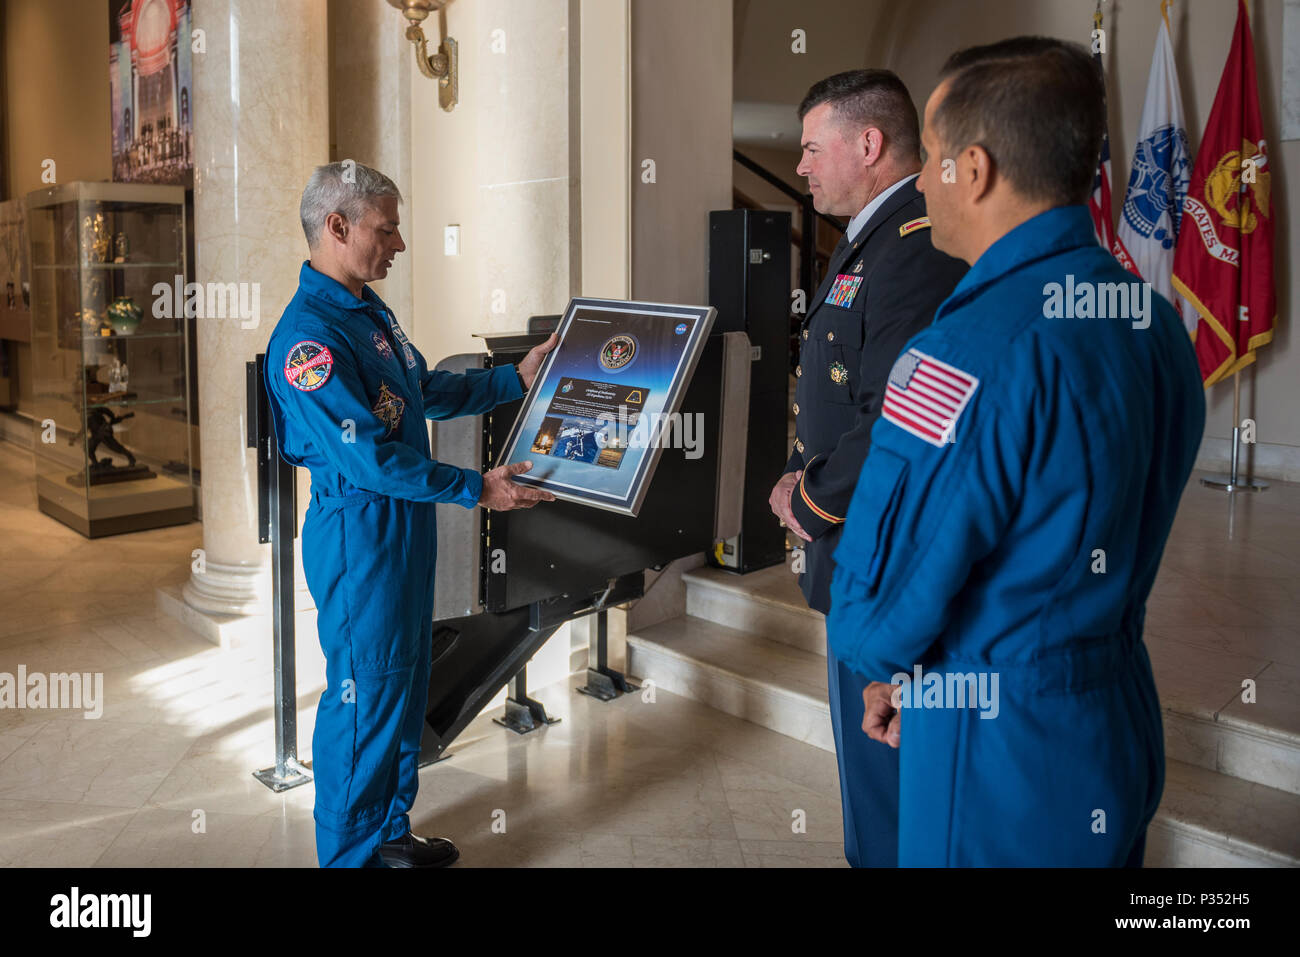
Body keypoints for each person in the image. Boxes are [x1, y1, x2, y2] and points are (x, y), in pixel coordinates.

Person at [827, 37, 1205, 866]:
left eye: (928, 158)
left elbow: (878, 611)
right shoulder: (1155, 325)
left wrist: (895, 665)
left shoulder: (961, 353)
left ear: (977, 169)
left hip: (995, 760)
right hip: (1111, 724)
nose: (922, 182)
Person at [265, 161, 557, 868]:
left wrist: (511, 379)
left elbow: (420, 390)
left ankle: (387, 832)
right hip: (359, 532)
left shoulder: (367, 312)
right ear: (337, 227)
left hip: (399, 527)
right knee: (364, 697)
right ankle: (350, 856)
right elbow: (364, 459)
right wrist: (476, 487)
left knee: (399, 685)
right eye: (386, 229)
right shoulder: (310, 340)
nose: (399, 244)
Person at [767, 69, 967, 868]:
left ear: (869, 144)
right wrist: (796, 465)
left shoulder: (916, 243)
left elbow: (902, 411)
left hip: (881, 547)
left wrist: (812, 499)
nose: (803, 167)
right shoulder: (873, 236)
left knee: (886, 765)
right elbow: (836, 381)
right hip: (854, 543)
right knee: (869, 757)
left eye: (814, 149)